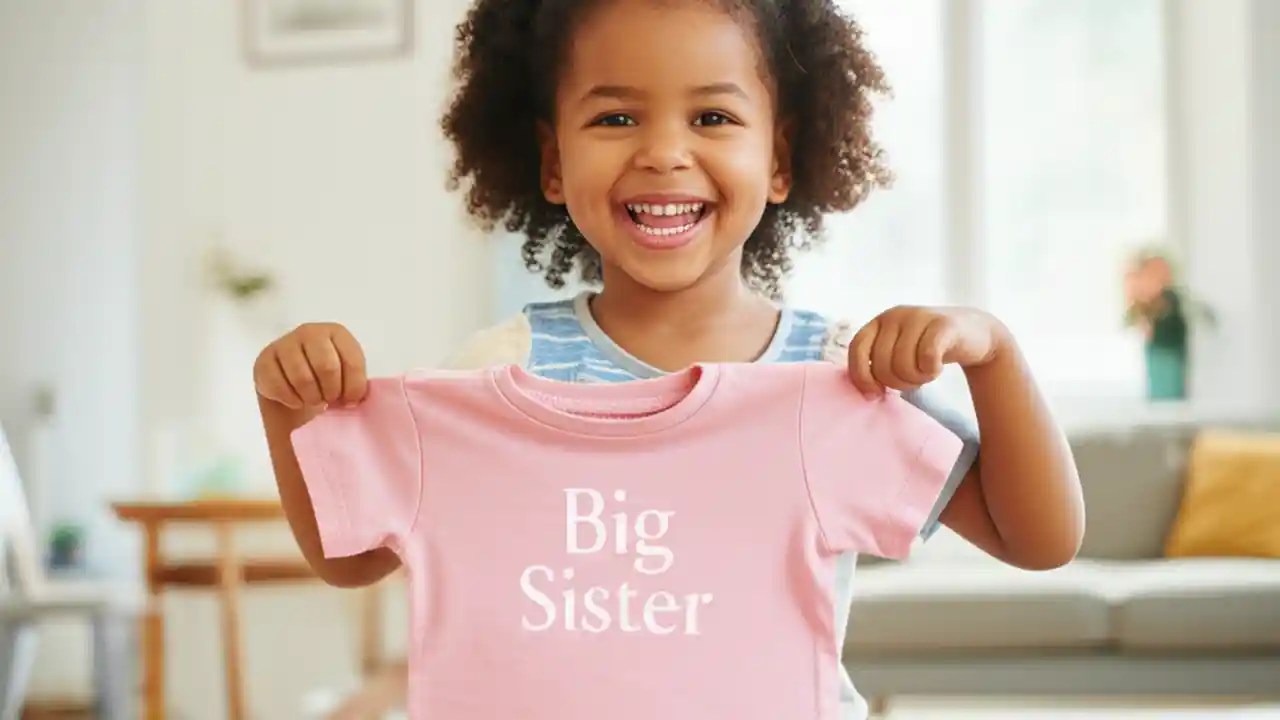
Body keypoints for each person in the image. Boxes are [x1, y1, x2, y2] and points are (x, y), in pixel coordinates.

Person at [253, 1, 1085, 717]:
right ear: (552, 162)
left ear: (780, 159)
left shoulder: (833, 380)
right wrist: (287, 402)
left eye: (712, 118)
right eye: (615, 118)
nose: (662, 152)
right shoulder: (495, 372)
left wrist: (993, 353)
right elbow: (350, 556)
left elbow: (1038, 538)